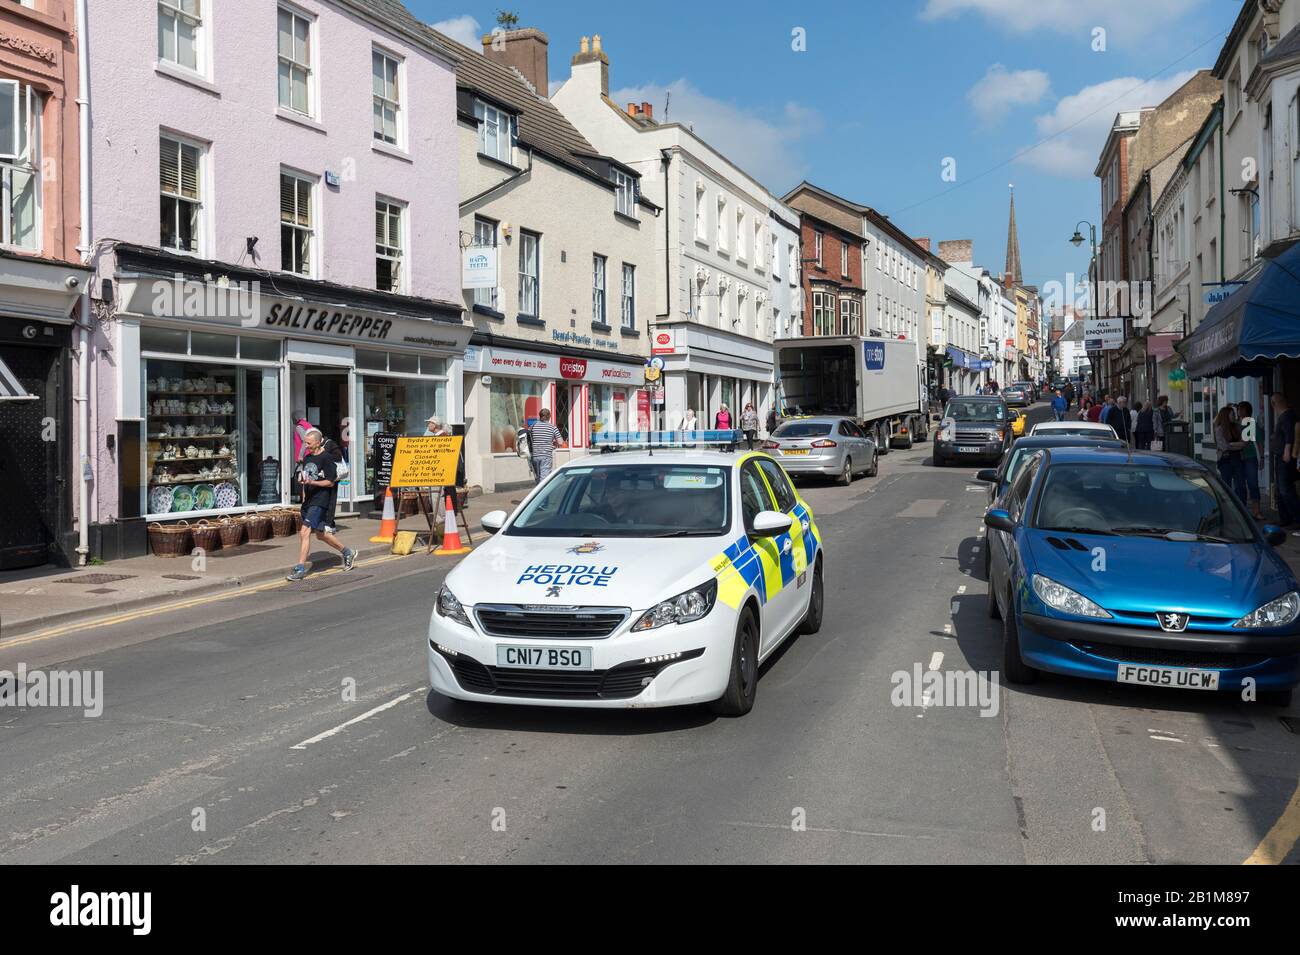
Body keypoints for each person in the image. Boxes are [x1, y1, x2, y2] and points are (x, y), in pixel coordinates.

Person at [288, 428, 355, 581]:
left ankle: (300, 568)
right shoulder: (307, 458)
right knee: (321, 535)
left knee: (304, 532)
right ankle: (347, 552)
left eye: (309, 443)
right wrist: (304, 488)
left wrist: (313, 482)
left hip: (320, 500)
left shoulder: (327, 458)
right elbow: (306, 478)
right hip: (309, 501)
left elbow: (330, 482)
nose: (306, 446)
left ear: (318, 443)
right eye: (305, 443)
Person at [1271, 392, 1300, 529]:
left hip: (1284, 458)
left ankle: (1297, 518)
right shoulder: (1285, 416)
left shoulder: (1287, 417)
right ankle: (1285, 518)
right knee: (1280, 490)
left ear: (1274, 404)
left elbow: (1290, 435)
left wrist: (1287, 451)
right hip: (1280, 457)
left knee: (1285, 490)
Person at [1213, 405, 1248, 505]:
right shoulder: (1219, 429)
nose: (1234, 416)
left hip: (1238, 459)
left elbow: (1244, 444)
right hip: (1225, 460)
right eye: (1232, 414)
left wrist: (1231, 444)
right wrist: (1236, 445)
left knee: (1241, 486)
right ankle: (1227, 508)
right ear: (1226, 415)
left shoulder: (1237, 427)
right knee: (1226, 486)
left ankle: (1242, 509)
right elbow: (1223, 447)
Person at [1236, 401, 1264, 519]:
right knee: (1240, 486)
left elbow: (1259, 442)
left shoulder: (1251, 424)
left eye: (1242, 409)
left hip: (1250, 458)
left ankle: (1256, 511)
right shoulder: (1235, 424)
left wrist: (1262, 457)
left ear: (1247, 411)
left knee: (1253, 484)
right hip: (1237, 458)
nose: (1239, 411)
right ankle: (1242, 512)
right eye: (1238, 409)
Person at [528, 408, 562, 484]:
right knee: (544, 480)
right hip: (546, 456)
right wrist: (554, 445)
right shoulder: (553, 427)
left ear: (540, 416)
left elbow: (529, 438)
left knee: (538, 478)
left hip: (535, 456)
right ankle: (542, 495)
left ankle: (538, 494)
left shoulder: (533, 426)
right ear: (549, 417)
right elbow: (560, 442)